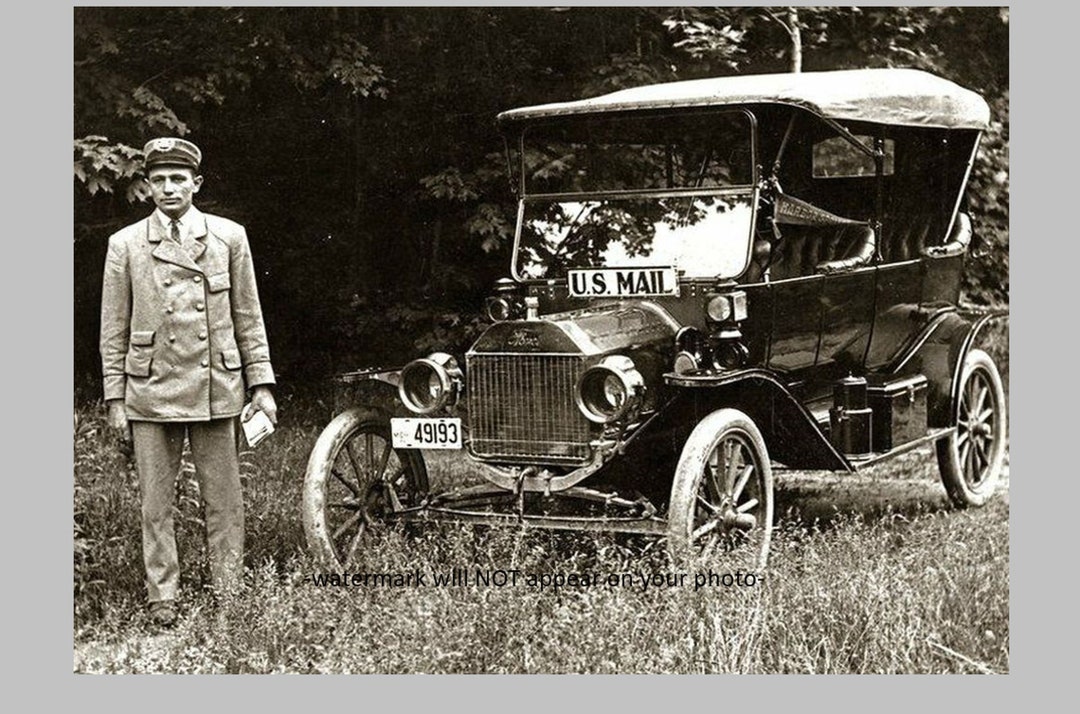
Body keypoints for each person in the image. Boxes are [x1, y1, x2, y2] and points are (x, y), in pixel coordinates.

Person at [100, 137, 277, 627]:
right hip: (150, 388)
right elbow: (112, 327)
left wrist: (261, 384)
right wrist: (116, 395)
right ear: (147, 187)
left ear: (196, 184)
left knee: (224, 500)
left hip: (215, 385)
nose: (168, 188)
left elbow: (248, 315)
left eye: (178, 179)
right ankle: (163, 597)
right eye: (158, 180)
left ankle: (228, 591)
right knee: (155, 503)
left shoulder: (228, 237)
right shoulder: (126, 245)